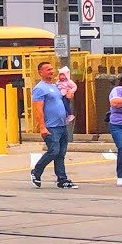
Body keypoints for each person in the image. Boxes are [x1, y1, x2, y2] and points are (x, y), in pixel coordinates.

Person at [30, 61, 77, 189]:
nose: (51, 71)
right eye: (48, 70)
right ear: (40, 72)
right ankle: (36, 171)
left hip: (62, 125)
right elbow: (38, 109)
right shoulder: (39, 88)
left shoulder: (56, 86)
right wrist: (42, 127)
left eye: (52, 69)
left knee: (61, 153)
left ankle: (62, 179)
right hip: (51, 126)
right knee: (54, 151)